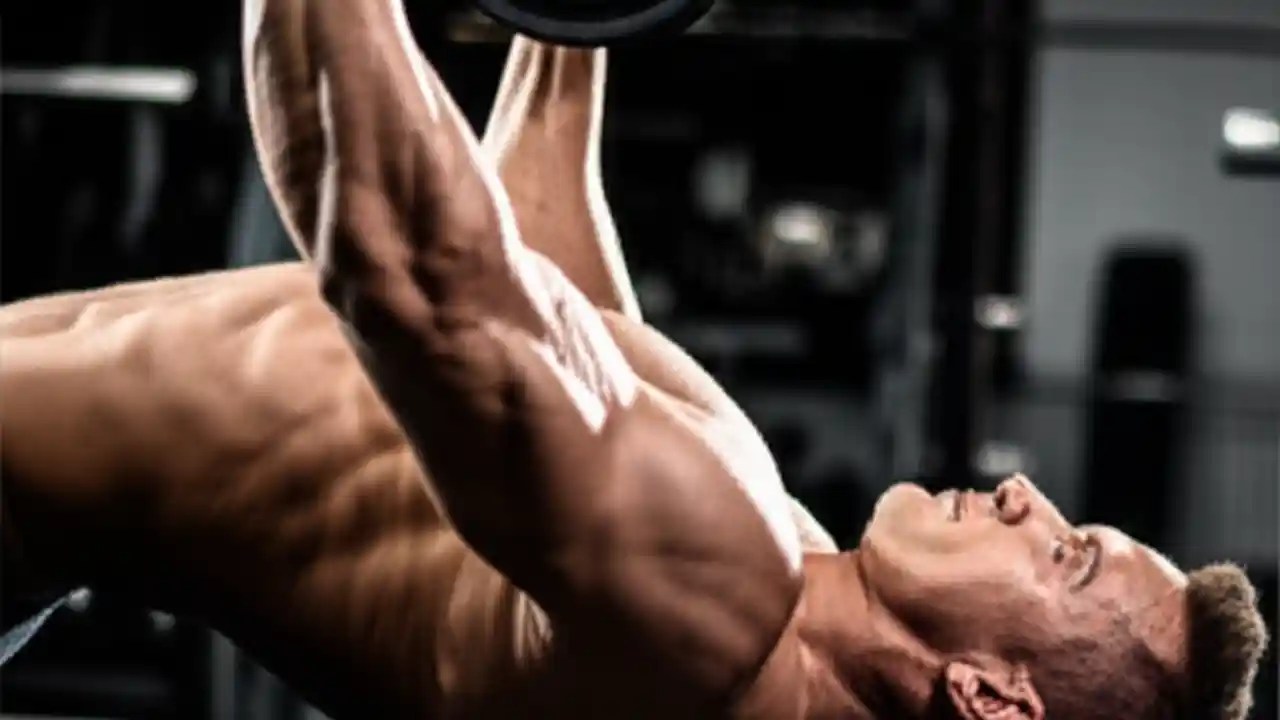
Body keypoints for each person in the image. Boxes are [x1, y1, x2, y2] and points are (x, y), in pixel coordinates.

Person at [0, 1, 1267, 718]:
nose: (1022, 497)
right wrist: (574, 28)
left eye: (1064, 552)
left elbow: (413, 267)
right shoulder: (762, 578)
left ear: (992, 698)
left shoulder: (716, 604)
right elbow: (541, 271)